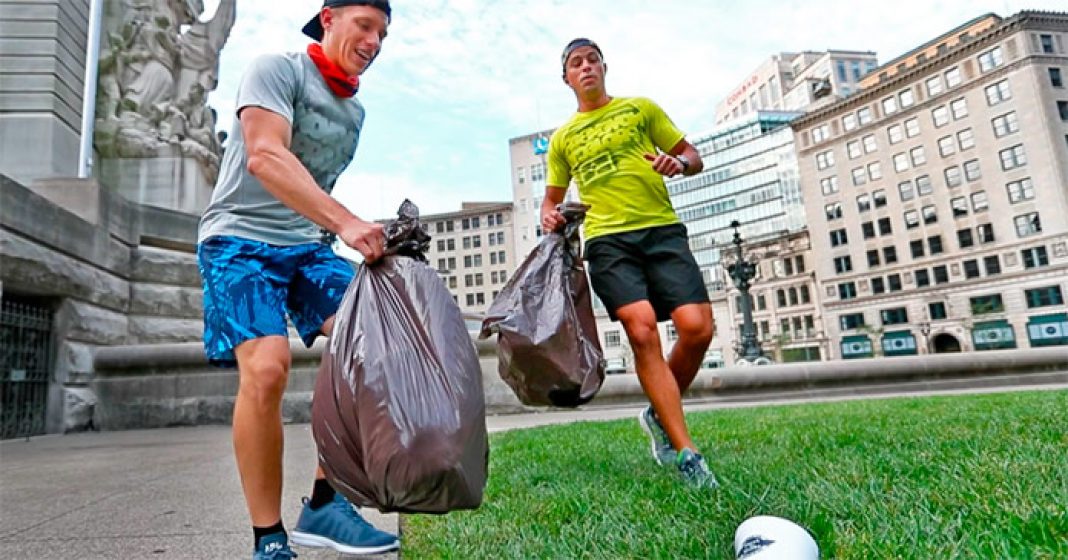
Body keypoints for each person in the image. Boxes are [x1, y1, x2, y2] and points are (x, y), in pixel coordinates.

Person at [196, 1, 400, 557]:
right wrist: (348, 221)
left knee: (382, 341)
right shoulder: (276, 69)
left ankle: (326, 503)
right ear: (328, 18)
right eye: (365, 26)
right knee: (267, 368)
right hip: (237, 242)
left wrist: (356, 237)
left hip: (307, 248)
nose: (375, 42)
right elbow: (265, 156)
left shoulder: (354, 115)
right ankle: (268, 537)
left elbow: (312, 190)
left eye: (383, 33)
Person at [541, 38, 719, 489]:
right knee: (641, 329)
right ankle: (687, 454)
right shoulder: (563, 139)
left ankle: (659, 413)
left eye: (592, 60)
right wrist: (550, 215)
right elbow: (551, 202)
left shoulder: (640, 109)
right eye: (576, 64)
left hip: (661, 229)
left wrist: (677, 163)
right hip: (607, 240)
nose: (586, 68)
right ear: (566, 79)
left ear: (604, 68)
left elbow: (693, 156)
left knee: (697, 328)